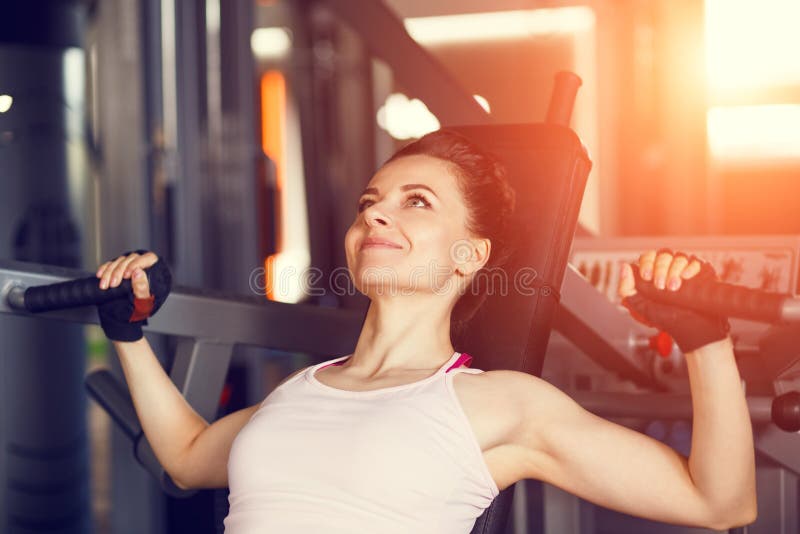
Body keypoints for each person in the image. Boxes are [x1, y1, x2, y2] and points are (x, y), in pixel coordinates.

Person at [95, 129, 756, 533]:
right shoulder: (302, 389)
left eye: (416, 202)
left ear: (471, 256)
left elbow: (718, 504)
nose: (376, 215)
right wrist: (128, 337)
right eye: (369, 204)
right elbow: (187, 456)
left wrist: (707, 342)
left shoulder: (499, 403)